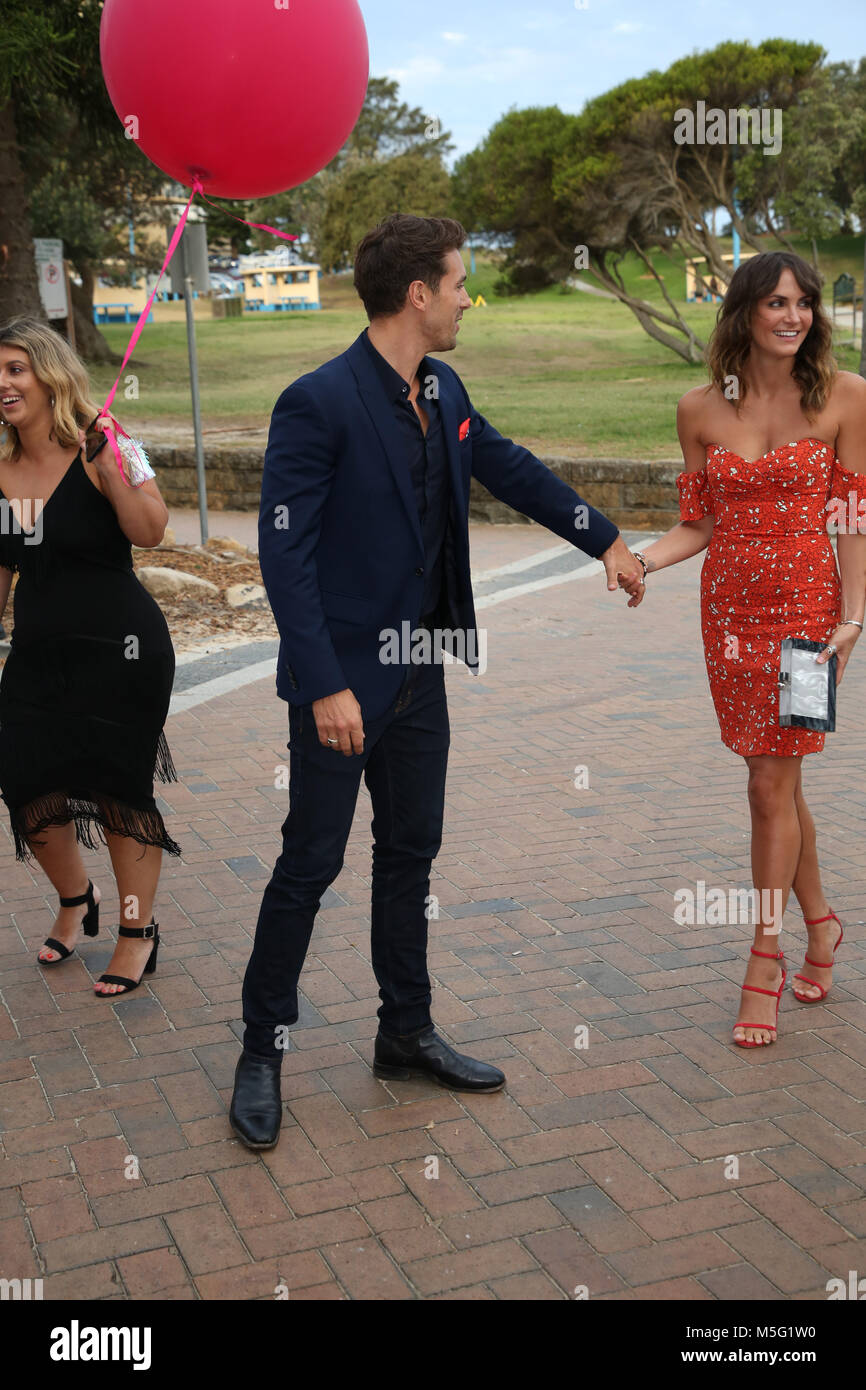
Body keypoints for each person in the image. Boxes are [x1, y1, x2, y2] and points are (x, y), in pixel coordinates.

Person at [230, 213, 644, 1150]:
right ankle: (263, 1048)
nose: (469, 299)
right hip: (342, 684)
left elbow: (510, 470)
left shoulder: (443, 386)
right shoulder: (317, 401)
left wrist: (606, 539)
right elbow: (283, 558)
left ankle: (403, 1032)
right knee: (310, 863)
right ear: (419, 293)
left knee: (411, 855)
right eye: (460, 284)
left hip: (422, 676)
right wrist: (324, 685)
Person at [623, 252, 866, 1048]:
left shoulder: (846, 396)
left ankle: (764, 955)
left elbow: (853, 519)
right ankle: (823, 926)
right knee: (778, 784)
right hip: (730, 618)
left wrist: (854, 616)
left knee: (770, 783)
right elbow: (700, 521)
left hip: (810, 616)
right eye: (775, 304)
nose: (792, 316)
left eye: (803, 303)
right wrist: (643, 561)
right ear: (744, 315)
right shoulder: (698, 407)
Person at [0, 317, 180, 996]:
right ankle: (78, 900)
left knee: (117, 792)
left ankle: (137, 933)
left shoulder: (107, 442)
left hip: (123, 651)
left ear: (49, 374)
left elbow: (153, 531)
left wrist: (110, 467)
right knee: (26, 786)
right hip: (40, 654)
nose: (3, 383)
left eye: (16, 368)